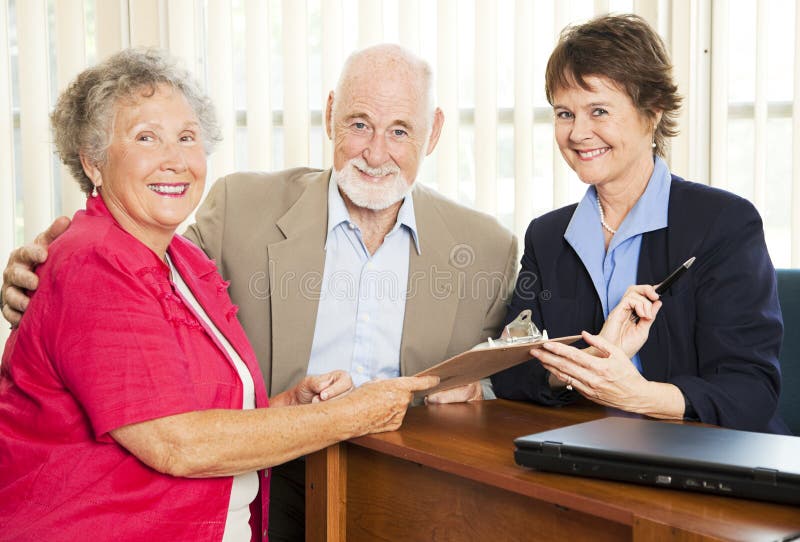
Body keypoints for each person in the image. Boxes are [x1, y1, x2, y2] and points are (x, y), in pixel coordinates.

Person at [1, 44, 518, 539]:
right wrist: (348, 414)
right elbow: (172, 437)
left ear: (433, 134)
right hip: (207, 507)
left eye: (186, 138)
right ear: (332, 115)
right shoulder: (216, 219)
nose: (376, 151)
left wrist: (293, 406)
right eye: (360, 124)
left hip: (404, 496)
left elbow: (509, 379)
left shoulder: (182, 262)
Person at [490, 14, 788, 434]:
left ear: (652, 112)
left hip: (707, 457)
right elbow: (510, 371)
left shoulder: (724, 224)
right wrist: (586, 368)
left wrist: (635, 393)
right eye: (564, 113)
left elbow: (750, 392)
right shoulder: (548, 236)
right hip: (591, 450)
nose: (578, 133)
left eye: (599, 111)